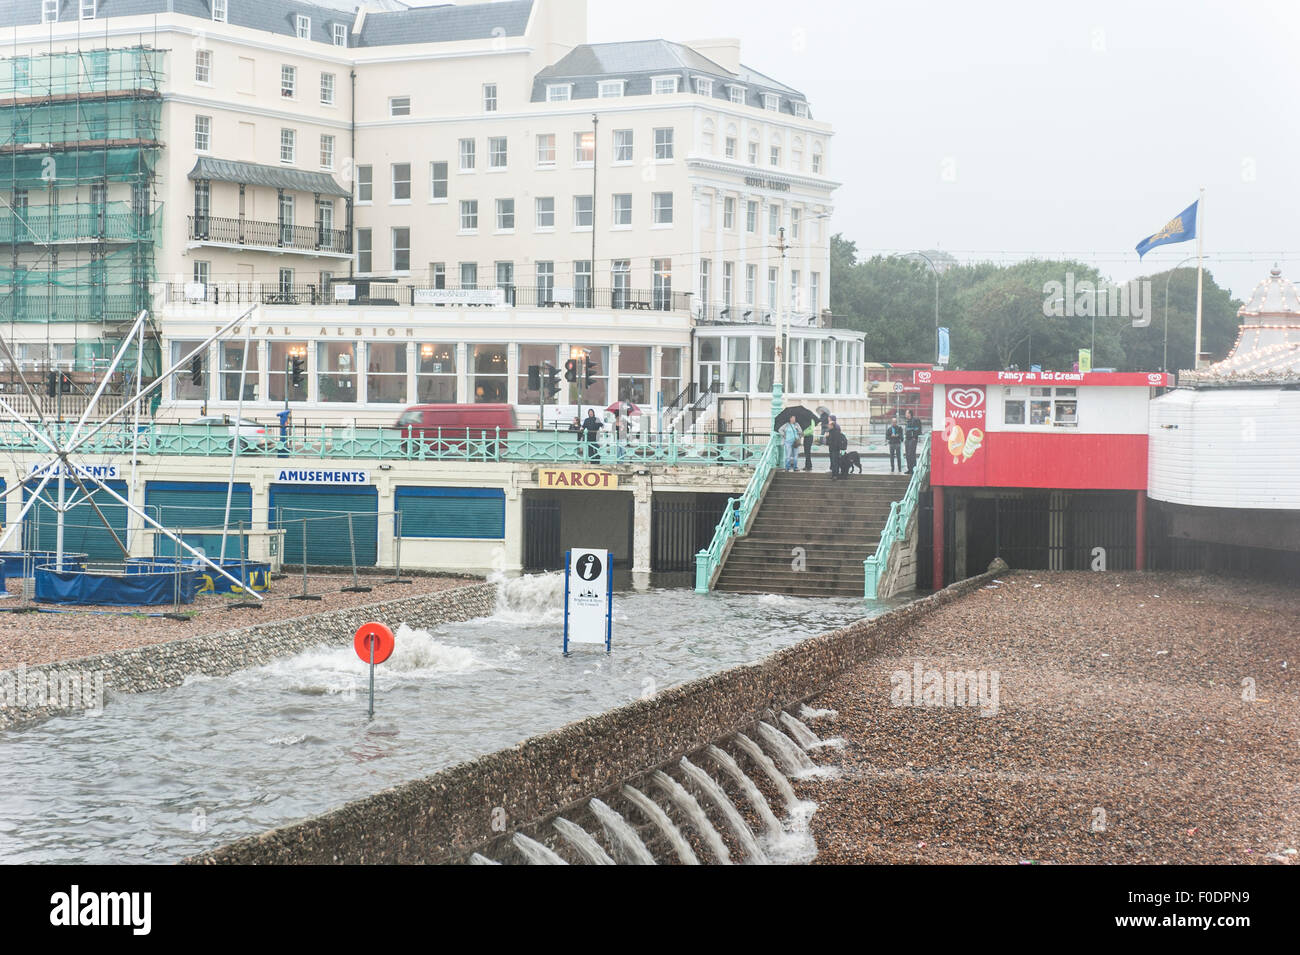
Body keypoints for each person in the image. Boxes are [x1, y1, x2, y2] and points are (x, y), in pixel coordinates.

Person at [904, 409, 922, 474]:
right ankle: (909, 469)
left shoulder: (915, 420)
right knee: (907, 455)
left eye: (906, 413)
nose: (905, 414)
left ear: (909, 414)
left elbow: (917, 429)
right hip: (907, 439)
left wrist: (915, 437)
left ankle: (913, 469)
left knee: (911, 454)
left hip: (912, 439)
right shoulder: (907, 421)